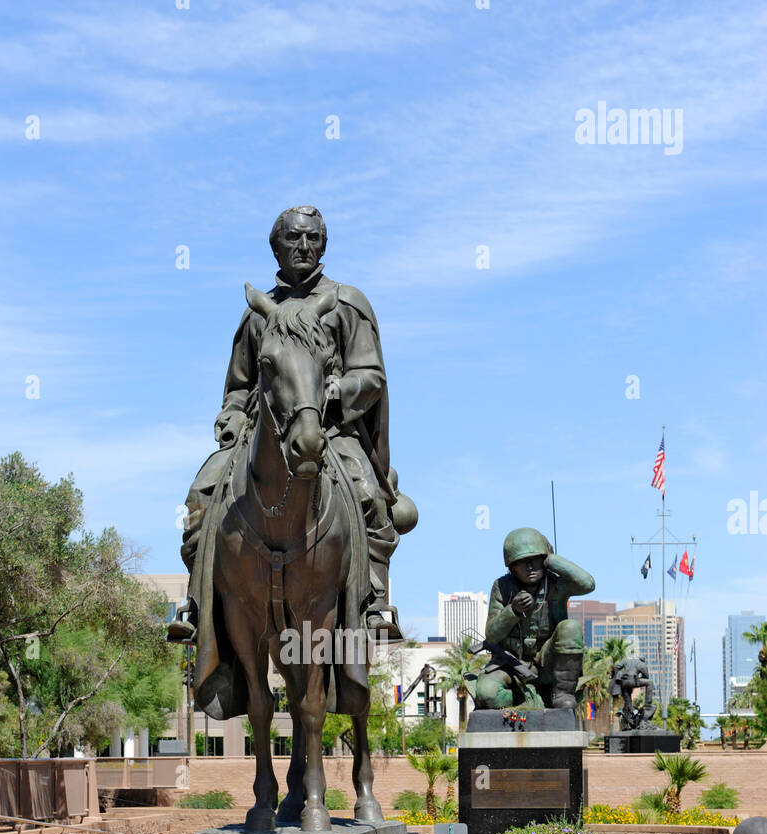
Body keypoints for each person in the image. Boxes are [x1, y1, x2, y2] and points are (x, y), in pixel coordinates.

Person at [170, 205, 417, 644]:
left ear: (324, 245)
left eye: (313, 239)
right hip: (262, 431)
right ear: (276, 247)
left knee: (367, 497)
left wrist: (336, 391)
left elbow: (372, 375)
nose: (303, 247)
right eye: (293, 238)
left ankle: (375, 602)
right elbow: (239, 386)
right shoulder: (257, 315)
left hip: (331, 430)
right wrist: (229, 417)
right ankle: (195, 603)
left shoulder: (348, 305)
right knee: (200, 495)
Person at [470, 527, 595, 710]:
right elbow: (492, 635)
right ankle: (523, 697)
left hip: (547, 663)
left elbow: (588, 584)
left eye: (535, 560)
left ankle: (562, 694)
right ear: (512, 567)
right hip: (510, 664)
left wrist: (553, 560)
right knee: (487, 695)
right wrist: (512, 610)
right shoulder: (502, 587)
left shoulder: (555, 583)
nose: (530, 567)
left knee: (570, 627)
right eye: (522, 563)